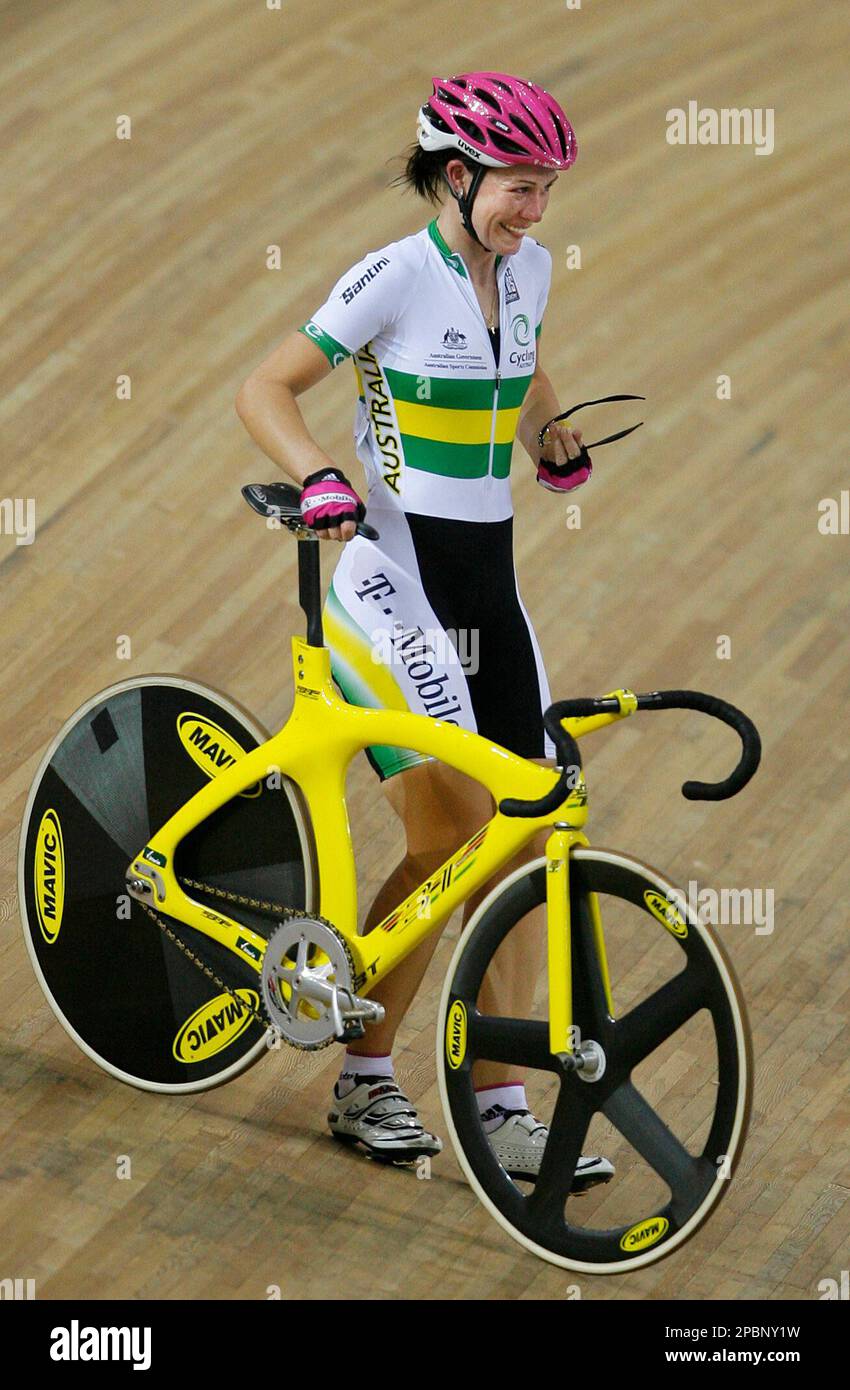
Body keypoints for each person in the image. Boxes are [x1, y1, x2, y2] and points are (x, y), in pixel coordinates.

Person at [236, 72, 613, 1192]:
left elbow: (525, 359)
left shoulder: (530, 270)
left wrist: (550, 435)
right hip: (388, 580)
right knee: (452, 828)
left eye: (547, 190)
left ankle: (499, 1101)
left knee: (534, 832)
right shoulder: (394, 275)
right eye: (519, 188)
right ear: (456, 176)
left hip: (487, 589)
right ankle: (362, 1074)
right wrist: (313, 476)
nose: (535, 211)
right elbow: (265, 386)